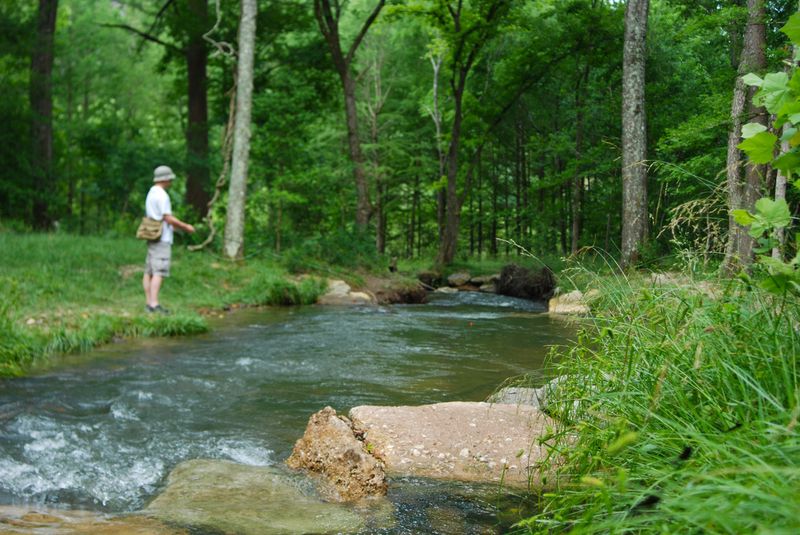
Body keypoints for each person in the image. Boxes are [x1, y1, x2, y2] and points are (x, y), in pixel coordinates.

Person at [143, 165, 195, 313]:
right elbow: (167, 217)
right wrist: (186, 227)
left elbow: (156, 216)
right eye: (170, 179)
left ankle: (149, 303)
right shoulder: (162, 195)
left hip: (151, 235)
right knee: (159, 271)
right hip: (162, 239)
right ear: (165, 179)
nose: (171, 182)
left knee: (149, 271)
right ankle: (154, 305)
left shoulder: (151, 193)